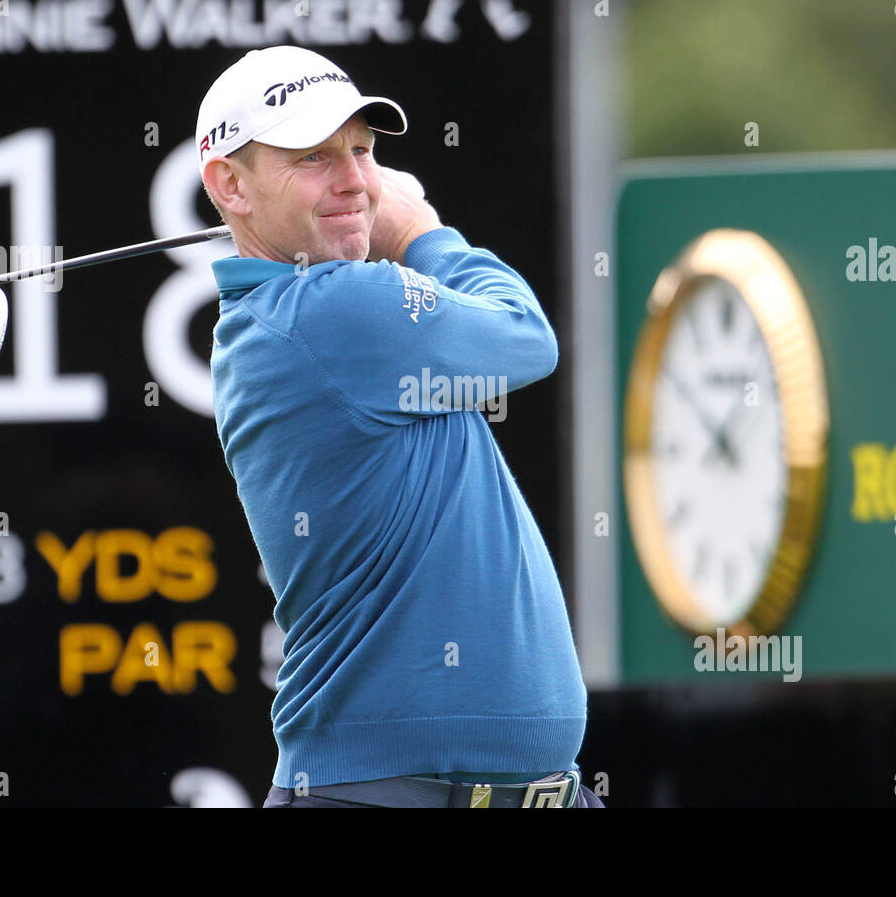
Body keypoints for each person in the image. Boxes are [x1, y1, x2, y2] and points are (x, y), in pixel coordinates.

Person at [196, 45, 601, 808]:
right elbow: (527, 334)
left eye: (362, 151)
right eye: (314, 156)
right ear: (230, 184)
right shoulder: (329, 311)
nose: (353, 178)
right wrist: (420, 229)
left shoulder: (313, 312)